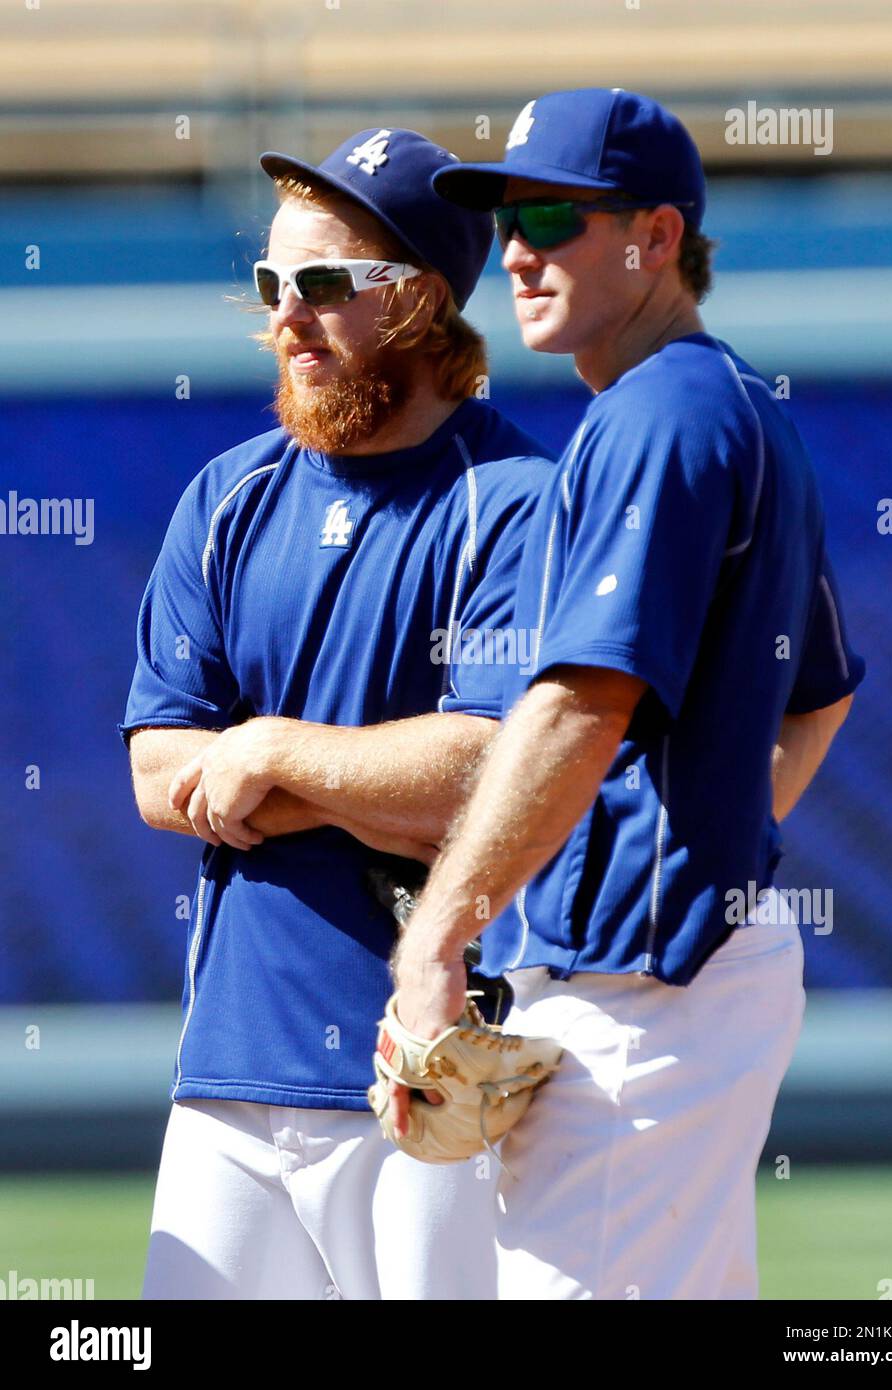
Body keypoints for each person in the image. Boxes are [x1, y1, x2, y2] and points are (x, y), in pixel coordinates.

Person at [387, 88, 866, 1300]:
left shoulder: (656, 414)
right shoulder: (734, 405)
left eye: (551, 215)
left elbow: (578, 706)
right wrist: (719, 840)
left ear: (654, 236)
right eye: (504, 219)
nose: (514, 250)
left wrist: (437, 934)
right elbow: (817, 697)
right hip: (677, 972)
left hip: (644, 989)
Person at [119, 126, 554, 1300]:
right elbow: (163, 779)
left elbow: (486, 770)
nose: (285, 316)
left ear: (417, 300)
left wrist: (264, 752)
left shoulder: (514, 502)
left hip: (426, 1069)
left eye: (321, 285)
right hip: (226, 1068)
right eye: (269, 285)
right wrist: (376, 799)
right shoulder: (227, 496)